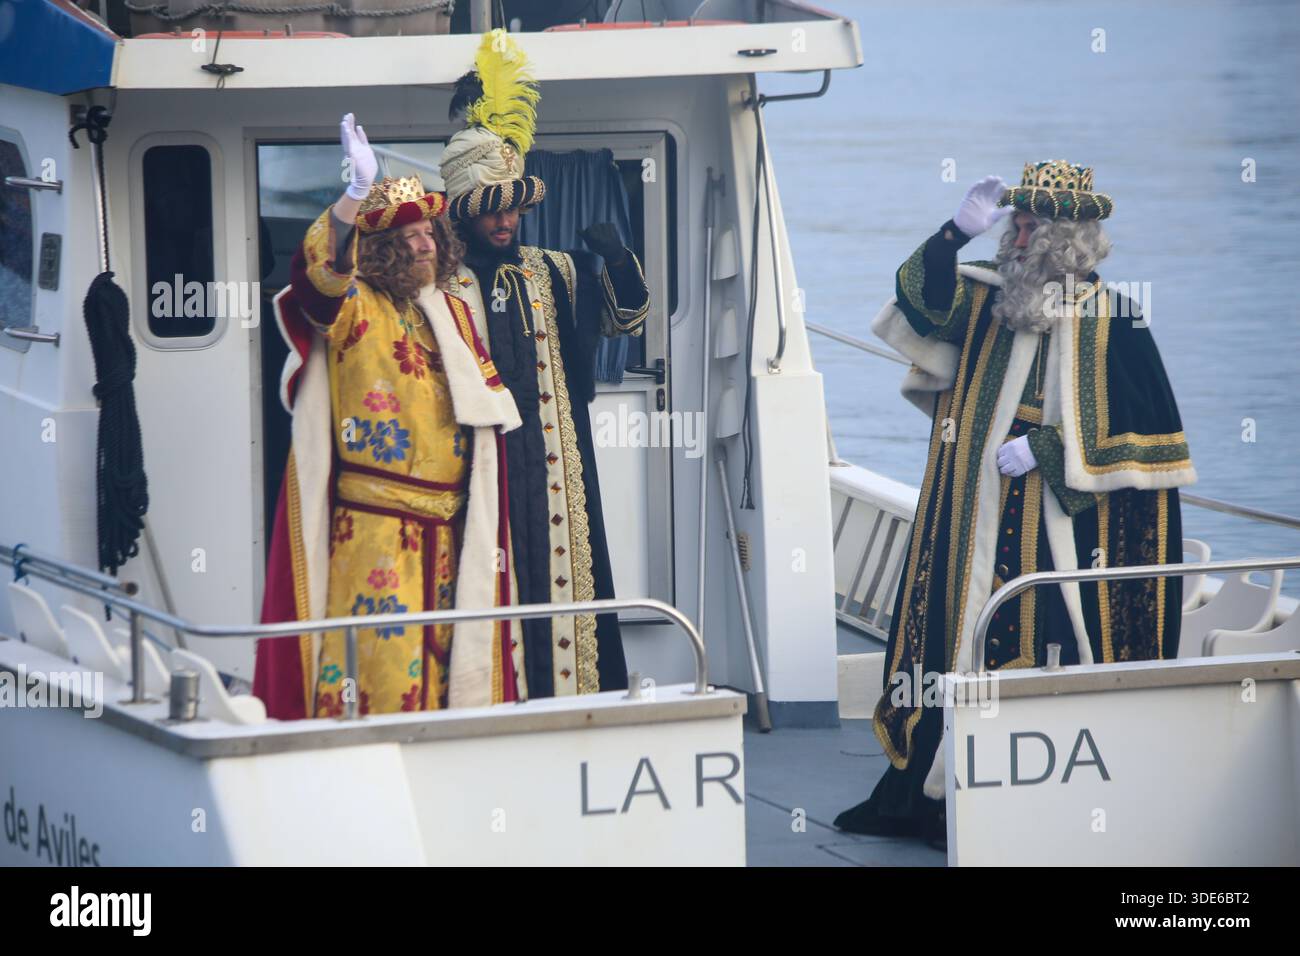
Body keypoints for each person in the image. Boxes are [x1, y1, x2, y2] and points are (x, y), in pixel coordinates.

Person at [837, 161, 1196, 845]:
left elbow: (1151, 438)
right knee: (953, 639)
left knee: (1045, 644)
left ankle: (1041, 799)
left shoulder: (1115, 317)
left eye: (1031, 226)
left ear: (1067, 237)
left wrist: (1053, 452)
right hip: (973, 506)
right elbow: (919, 302)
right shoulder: (987, 302)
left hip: (1060, 526)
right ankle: (935, 795)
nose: (1016, 235)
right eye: (1014, 223)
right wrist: (950, 235)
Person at [253, 113, 522, 718]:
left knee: (451, 682)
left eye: (429, 231)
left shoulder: (448, 311)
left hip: (451, 531)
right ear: (381, 247)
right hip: (376, 531)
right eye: (411, 234)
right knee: (375, 678)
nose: (427, 242)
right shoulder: (354, 308)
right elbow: (316, 278)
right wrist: (352, 196)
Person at [436, 30, 650, 703]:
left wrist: (617, 259)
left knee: (568, 576)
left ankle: (578, 695)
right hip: (479, 455)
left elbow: (630, 316)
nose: (505, 223)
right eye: (491, 212)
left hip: (561, 455)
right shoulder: (438, 282)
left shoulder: (555, 270)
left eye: (512, 209)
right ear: (467, 215)